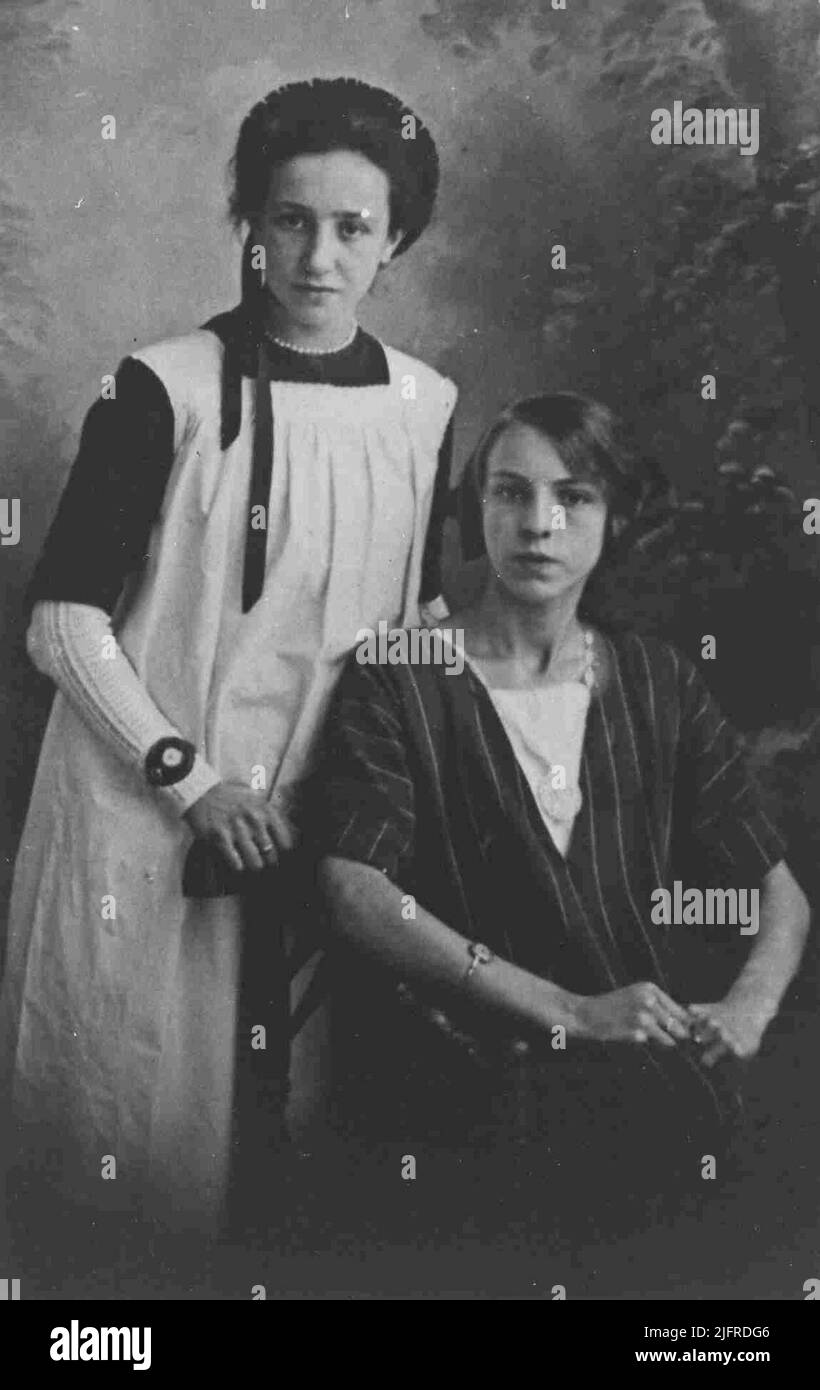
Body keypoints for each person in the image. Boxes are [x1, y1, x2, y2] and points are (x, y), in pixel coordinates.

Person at [0, 77, 457, 1237]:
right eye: (290, 220)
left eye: (353, 228)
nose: (317, 255)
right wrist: (188, 779)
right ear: (250, 222)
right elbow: (60, 623)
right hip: (148, 813)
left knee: (297, 1152)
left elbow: (410, 620)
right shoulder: (163, 388)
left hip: (321, 828)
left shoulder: (424, 407)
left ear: (394, 240)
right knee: (140, 1130)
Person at [307, 393, 810, 1295]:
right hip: (455, 1114)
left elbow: (779, 891)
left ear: (613, 521)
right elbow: (355, 889)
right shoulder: (399, 673)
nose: (539, 524)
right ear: (476, 513)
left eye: (573, 498)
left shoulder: (657, 679)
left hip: (647, 1112)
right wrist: (570, 1011)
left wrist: (746, 1011)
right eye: (510, 494)